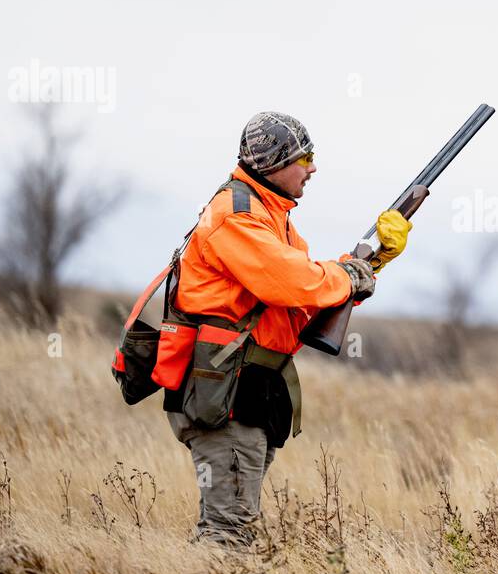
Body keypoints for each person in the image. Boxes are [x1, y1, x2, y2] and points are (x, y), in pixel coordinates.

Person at [164, 112, 410, 546]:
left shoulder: (272, 216)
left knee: (233, 527)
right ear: (274, 163)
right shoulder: (236, 216)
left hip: (251, 392)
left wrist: (372, 261)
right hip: (226, 392)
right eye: (305, 157)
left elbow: (304, 297)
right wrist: (350, 273)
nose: (313, 168)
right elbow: (296, 281)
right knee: (228, 535)